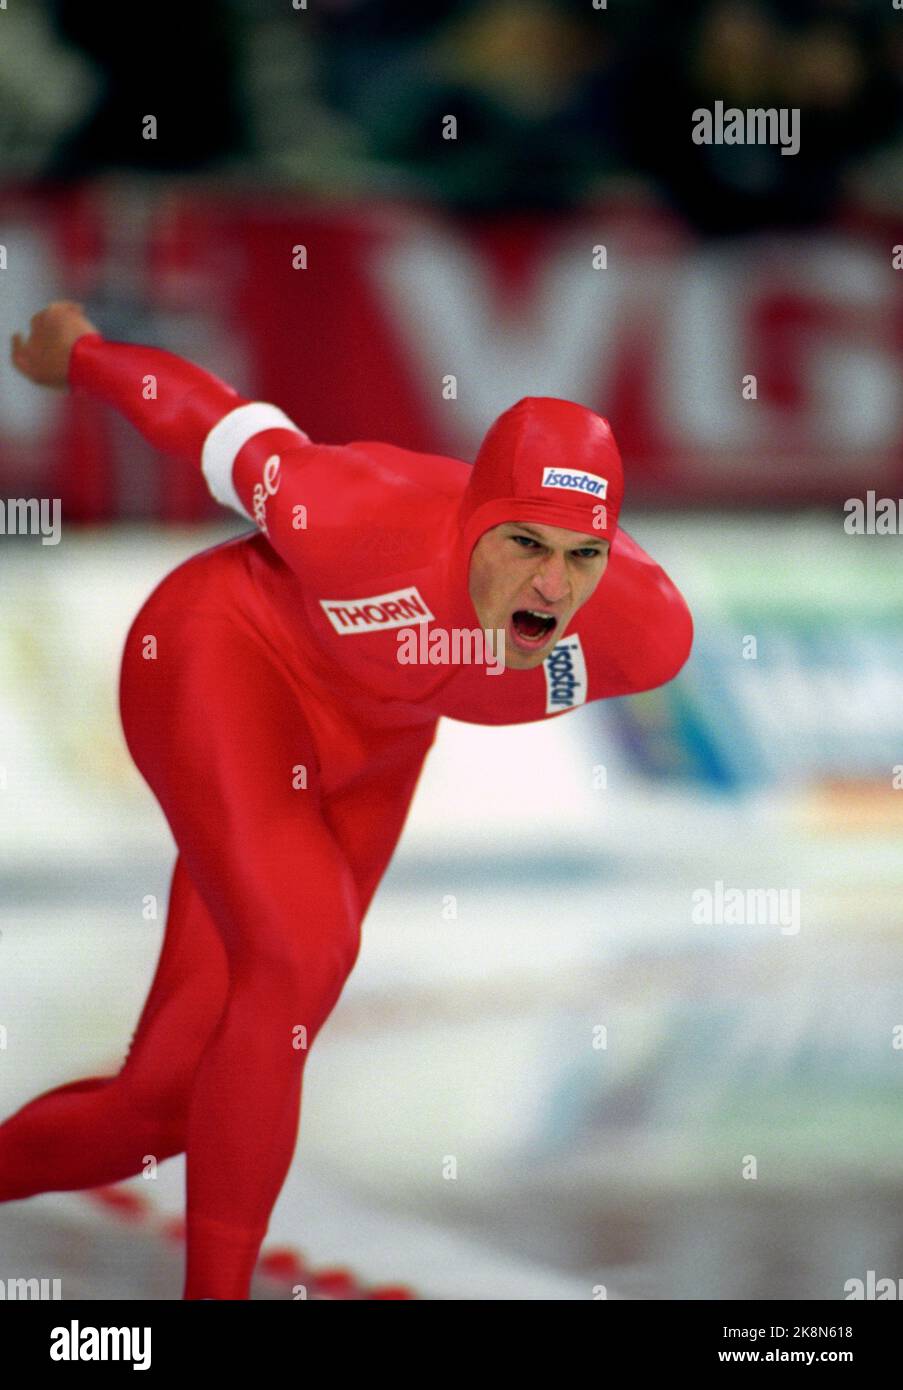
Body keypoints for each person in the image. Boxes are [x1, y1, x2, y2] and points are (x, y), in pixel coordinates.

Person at [2, 300, 694, 1299]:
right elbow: (211, 419)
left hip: (372, 747)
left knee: (154, 1111)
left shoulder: (644, 635)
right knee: (298, 951)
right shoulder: (352, 511)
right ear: (471, 523)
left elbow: (479, 662)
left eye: (582, 554)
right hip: (226, 656)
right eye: (523, 543)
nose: (551, 586)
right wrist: (87, 356)